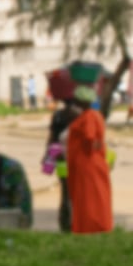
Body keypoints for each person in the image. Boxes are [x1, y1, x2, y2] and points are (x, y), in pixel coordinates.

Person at [65, 86, 113, 233]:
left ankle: (90, 227)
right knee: (94, 197)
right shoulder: (94, 115)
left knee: (89, 199)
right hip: (89, 163)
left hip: (87, 164)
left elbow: (89, 137)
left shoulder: (89, 117)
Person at [44, 99, 78, 233]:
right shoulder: (77, 116)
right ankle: (70, 223)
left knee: (65, 190)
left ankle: (65, 223)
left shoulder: (58, 115)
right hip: (69, 159)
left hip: (59, 157)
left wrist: (48, 158)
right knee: (70, 191)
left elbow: (52, 138)